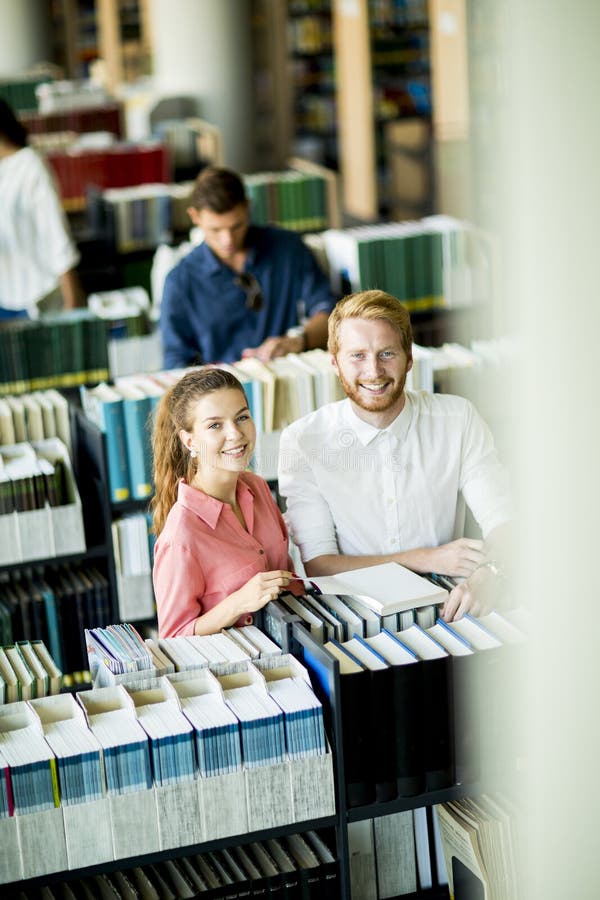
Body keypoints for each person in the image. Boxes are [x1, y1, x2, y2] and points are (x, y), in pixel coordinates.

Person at [278, 290, 513, 622]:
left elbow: (504, 519)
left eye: (386, 353)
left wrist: (492, 571)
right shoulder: (304, 440)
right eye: (357, 355)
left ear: (409, 357)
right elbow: (320, 564)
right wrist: (427, 558)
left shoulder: (458, 419)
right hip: (355, 615)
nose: (374, 371)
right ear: (334, 362)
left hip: (448, 608)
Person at [152, 366, 296, 638]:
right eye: (215, 425)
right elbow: (173, 639)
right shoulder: (181, 536)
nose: (235, 434)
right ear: (189, 440)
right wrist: (236, 604)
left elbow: (286, 572)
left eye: (242, 417)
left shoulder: (258, 487)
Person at [159, 165, 336, 367]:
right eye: (215, 230)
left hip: (289, 372)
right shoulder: (179, 281)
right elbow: (175, 362)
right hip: (220, 391)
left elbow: (330, 312)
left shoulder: (288, 248)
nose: (228, 240)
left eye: (237, 226)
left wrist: (298, 341)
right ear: (195, 217)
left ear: (248, 207)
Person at [0, 98, 82, 319]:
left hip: (36, 302)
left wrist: (72, 307)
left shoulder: (30, 166)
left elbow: (57, 238)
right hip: (4, 302)